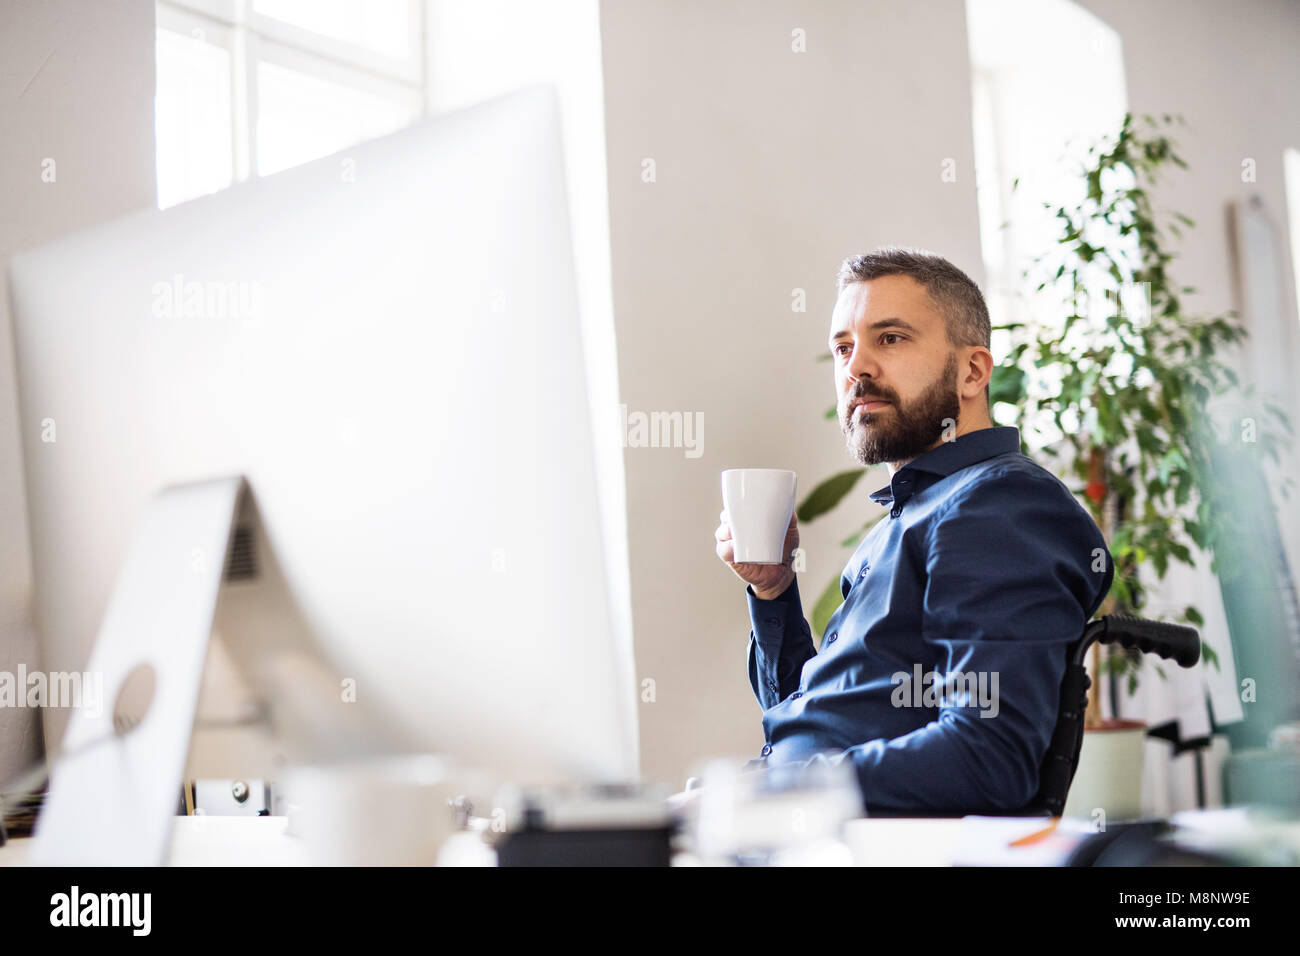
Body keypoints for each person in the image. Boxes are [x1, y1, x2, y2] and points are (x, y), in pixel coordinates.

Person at [713, 247, 1113, 813]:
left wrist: (778, 790)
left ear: (972, 371)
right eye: (844, 348)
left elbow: (989, 756)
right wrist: (774, 590)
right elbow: (815, 713)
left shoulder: (999, 504)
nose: (857, 368)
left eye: (891, 339)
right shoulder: (914, 514)